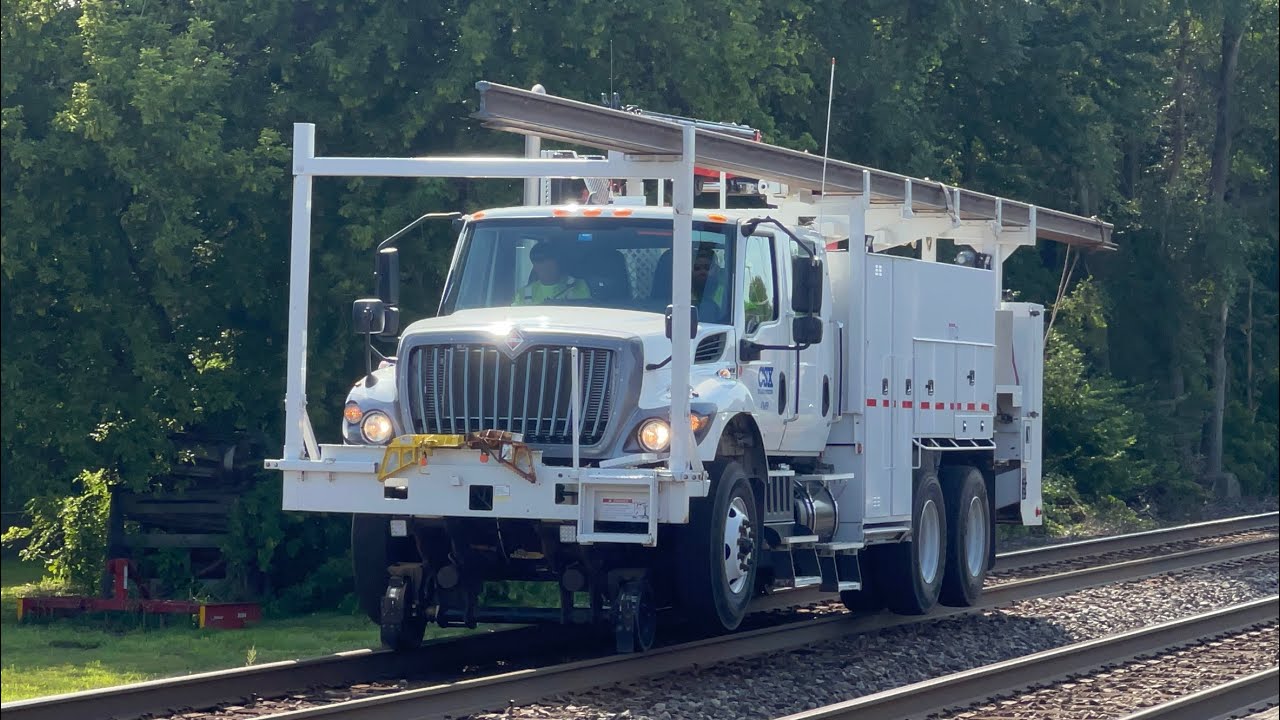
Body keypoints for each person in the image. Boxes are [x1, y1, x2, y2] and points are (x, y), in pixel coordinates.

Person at [514, 242, 590, 305]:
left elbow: (587, 311)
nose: (545, 268)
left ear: (558, 263)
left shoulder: (578, 285)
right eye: (539, 261)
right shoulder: (524, 293)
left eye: (549, 265)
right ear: (534, 267)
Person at [692, 244, 727, 320]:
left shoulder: (728, 293)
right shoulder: (680, 295)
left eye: (707, 267)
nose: (702, 272)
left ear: (716, 269)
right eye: (697, 268)